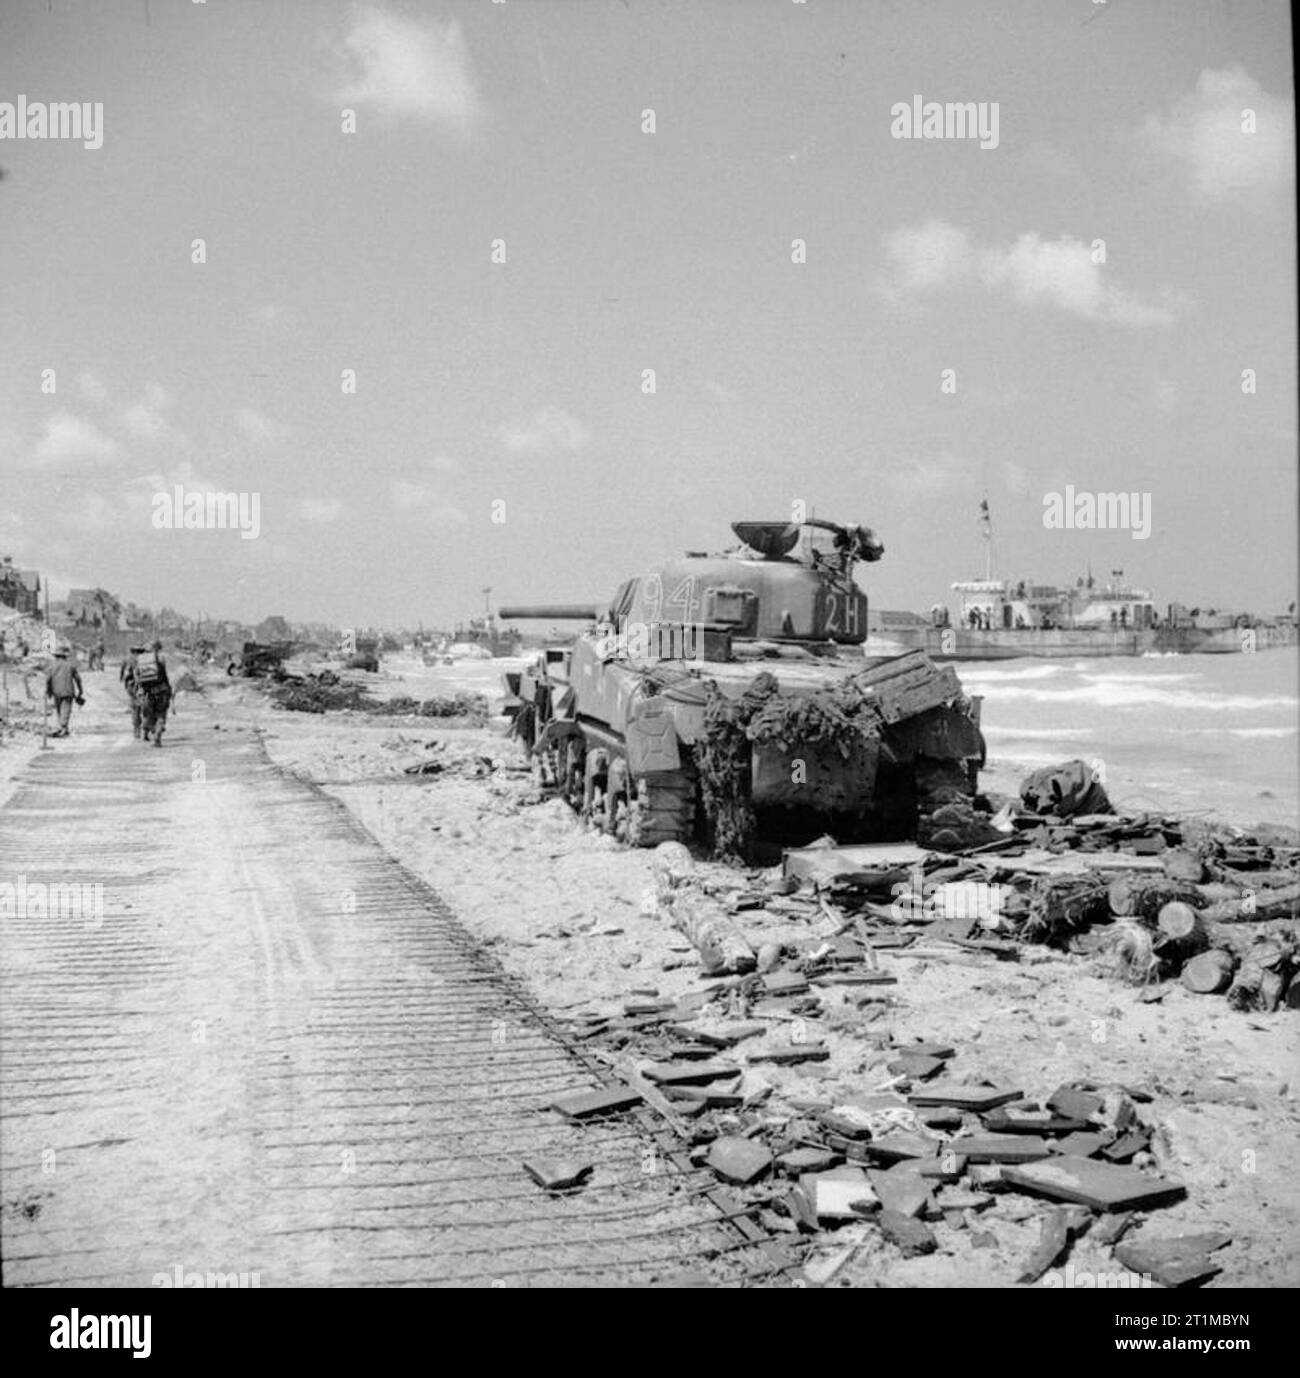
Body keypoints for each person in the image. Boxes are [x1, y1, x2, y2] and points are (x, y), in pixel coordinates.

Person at [137, 640, 172, 747]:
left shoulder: (141, 661)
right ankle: (157, 736)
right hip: (161, 692)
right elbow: (165, 677)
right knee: (161, 714)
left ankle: (151, 732)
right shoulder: (161, 659)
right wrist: (169, 690)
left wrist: (140, 692)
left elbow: (138, 679)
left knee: (149, 715)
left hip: (148, 693)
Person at [45, 647, 84, 737]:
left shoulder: (52, 666)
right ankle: (62, 728)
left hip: (56, 691)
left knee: (59, 710)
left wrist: (48, 691)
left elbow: (48, 680)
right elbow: (78, 679)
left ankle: (63, 728)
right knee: (66, 710)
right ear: (65, 656)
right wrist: (80, 690)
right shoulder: (70, 666)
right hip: (68, 691)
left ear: (56, 656)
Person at [120, 644, 146, 739]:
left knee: (135, 708)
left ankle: (137, 729)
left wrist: (122, 678)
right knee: (145, 706)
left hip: (133, 687)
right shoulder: (146, 659)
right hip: (146, 686)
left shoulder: (128, 659)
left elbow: (123, 671)